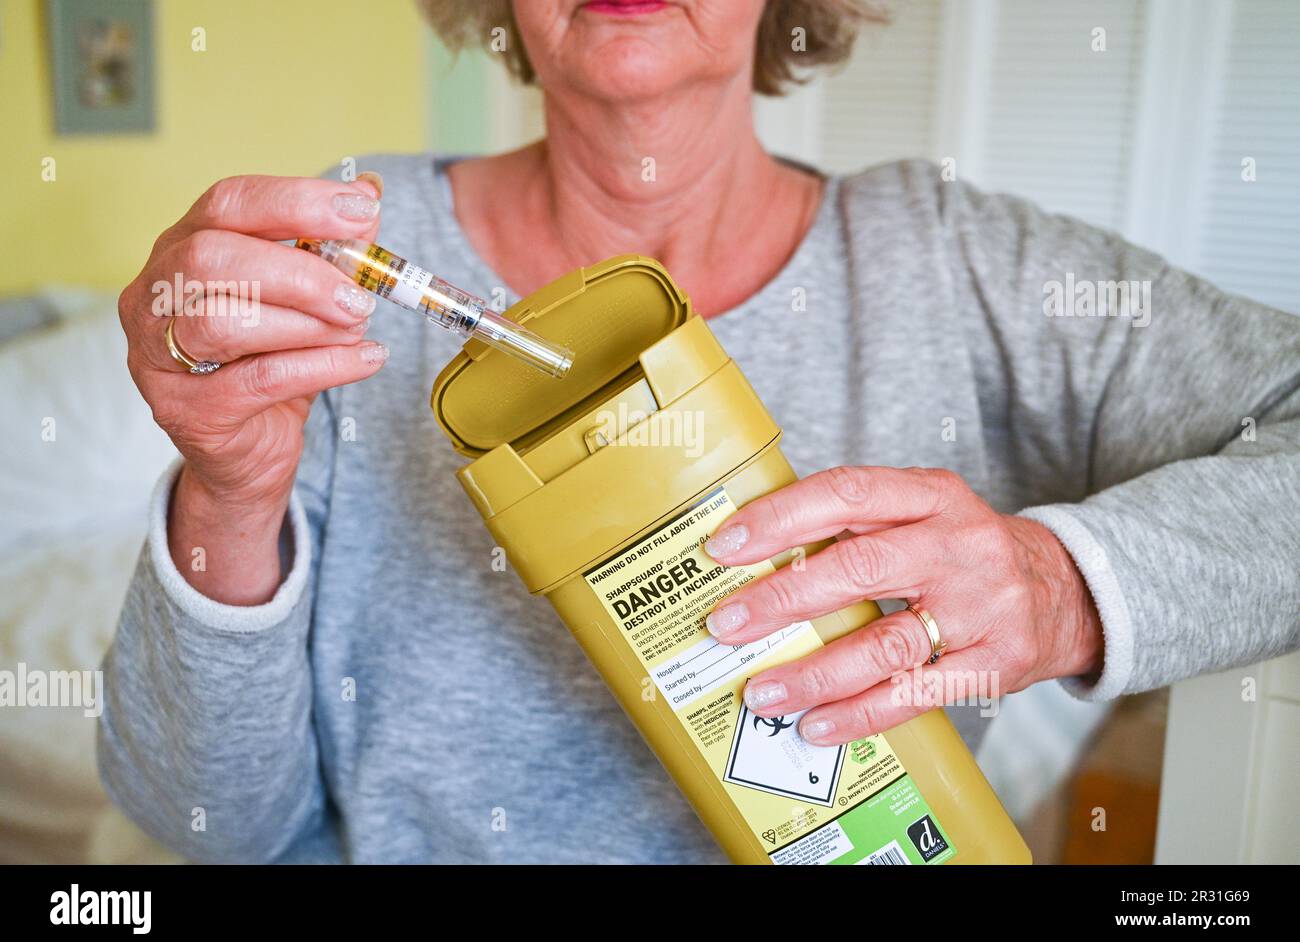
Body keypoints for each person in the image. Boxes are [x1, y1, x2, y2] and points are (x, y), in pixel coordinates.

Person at [101, 0, 1300, 863]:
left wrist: (1065, 583)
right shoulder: (342, 254)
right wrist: (228, 489)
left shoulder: (956, 266)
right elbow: (205, 818)